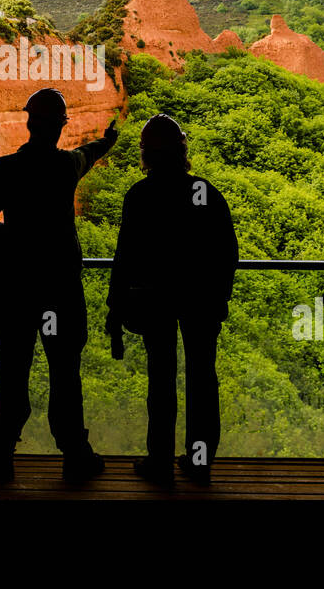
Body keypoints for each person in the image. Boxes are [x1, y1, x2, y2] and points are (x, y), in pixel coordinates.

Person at [0, 87, 117, 483]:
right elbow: (90, 153)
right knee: (66, 372)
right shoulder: (66, 167)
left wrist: (11, 244)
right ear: (59, 128)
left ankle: (0, 455)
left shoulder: (4, 169)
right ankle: (75, 455)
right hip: (61, 290)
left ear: (30, 123)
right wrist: (108, 140)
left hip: (16, 291)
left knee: (13, 372)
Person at [107, 114, 238, 486]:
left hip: (155, 299)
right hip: (199, 300)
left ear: (146, 155)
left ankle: (161, 461)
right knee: (201, 381)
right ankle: (198, 462)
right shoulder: (202, 191)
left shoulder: (140, 195)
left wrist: (115, 309)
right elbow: (227, 251)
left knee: (161, 380)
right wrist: (219, 296)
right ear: (183, 150)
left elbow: (125, 257)